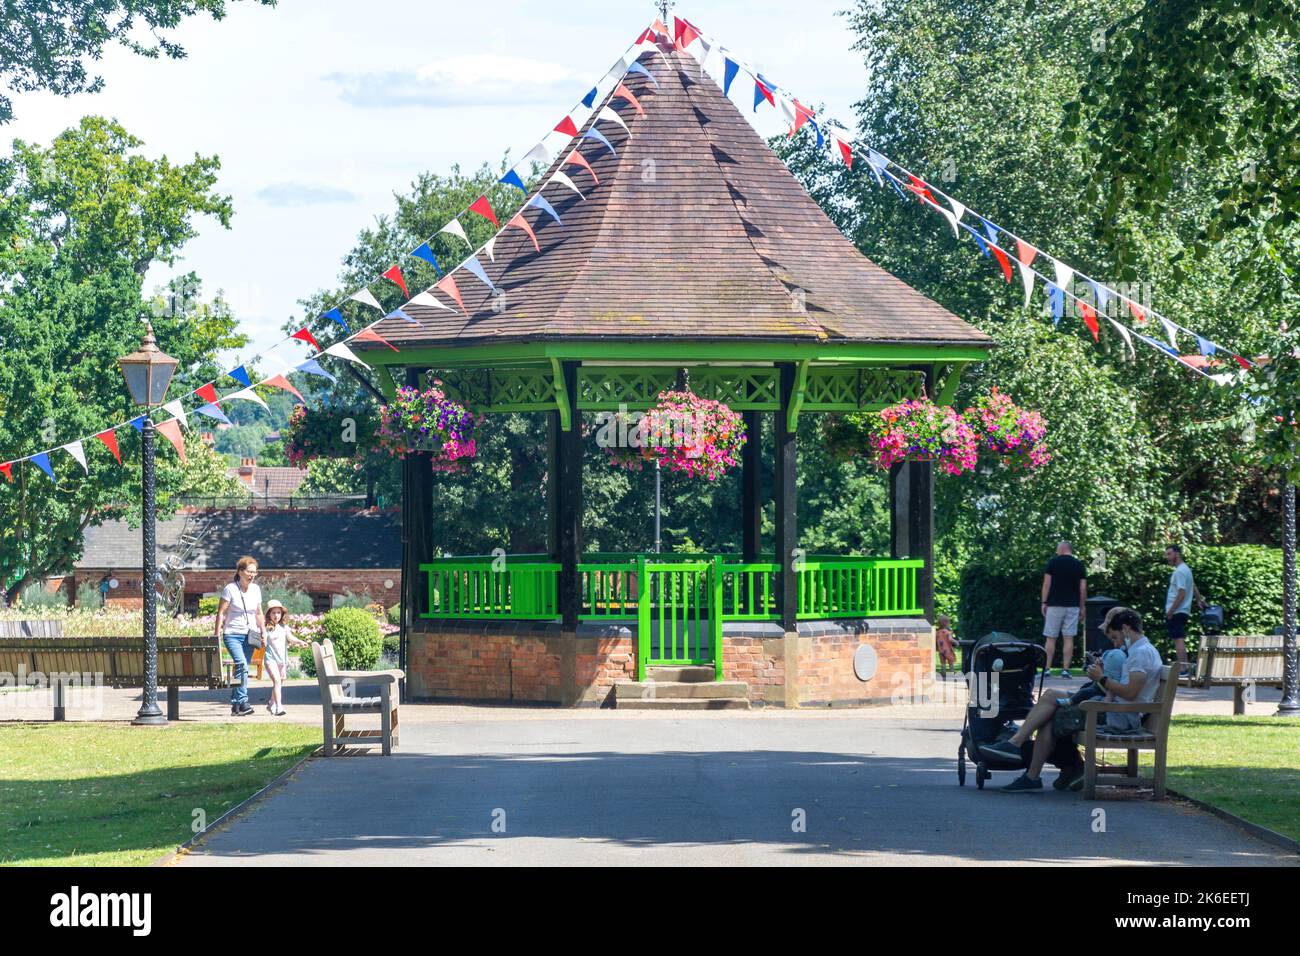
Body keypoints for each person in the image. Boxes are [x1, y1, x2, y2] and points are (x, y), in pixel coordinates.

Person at [981, 608, 1162, 792]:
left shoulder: (1140, 654)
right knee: (1051, 696)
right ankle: (1022, 749)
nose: (1115, 644)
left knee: (1050, 718)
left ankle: (1032, 770)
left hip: (1118, 717)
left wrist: (1102, 678)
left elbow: (1130, 693)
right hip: (1113, 710)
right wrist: (1102, 674)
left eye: (1115, 637)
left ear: (1125, 628)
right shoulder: (1139, 651)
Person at [214, 556, 265, 717]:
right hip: (232, 634)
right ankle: (243, 701)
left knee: (242, 670)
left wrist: (263, 630)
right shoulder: (230, 589)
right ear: (240, 571)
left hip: (250, 635)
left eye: (254, 572)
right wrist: (216, 634)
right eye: (249, 572)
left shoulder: (256, 590)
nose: (252, 575)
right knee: (242, 665)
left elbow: (259, 612)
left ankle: (236, 706)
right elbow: (221, 612)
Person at [1041, 541, 1087, 679]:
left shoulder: (1053, 563)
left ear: (1061, 549)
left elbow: (1046, 584)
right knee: (1069, 638)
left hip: (1054, 605)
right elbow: (1083, 588)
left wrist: (1044, 602)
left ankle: (1047, 669)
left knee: (1051, 637)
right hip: (1072, 606)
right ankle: (1065, 670)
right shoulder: (1079, 565)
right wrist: (1082, 606)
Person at [1164, 545, 1205, 679]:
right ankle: (1185, 667)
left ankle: (1184, 668)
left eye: (1169, 554)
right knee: (1178, 637)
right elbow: (1192, 586)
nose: (1167, 557)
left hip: (1177, 611)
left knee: (1178, 639)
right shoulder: (1186, 569)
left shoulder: (1180, 571)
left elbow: (1181, 593)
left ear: (1177, 554)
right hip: (1182, 610)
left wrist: (1171, 611)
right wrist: (1199, 600)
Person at [261, 599, 307, 716]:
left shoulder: (284, 627)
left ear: (282, 614)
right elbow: (264, 639)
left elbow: (291, 638)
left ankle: (271, 703)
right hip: (270, 659)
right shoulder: (266, 628)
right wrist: (263, 640)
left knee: (279, 683)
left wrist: (300, 642)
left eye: (278, 613)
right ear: (269, 614)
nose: (276, 615)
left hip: (282, 660)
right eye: (273, 613)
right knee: (277, 681)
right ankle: (279, 707)